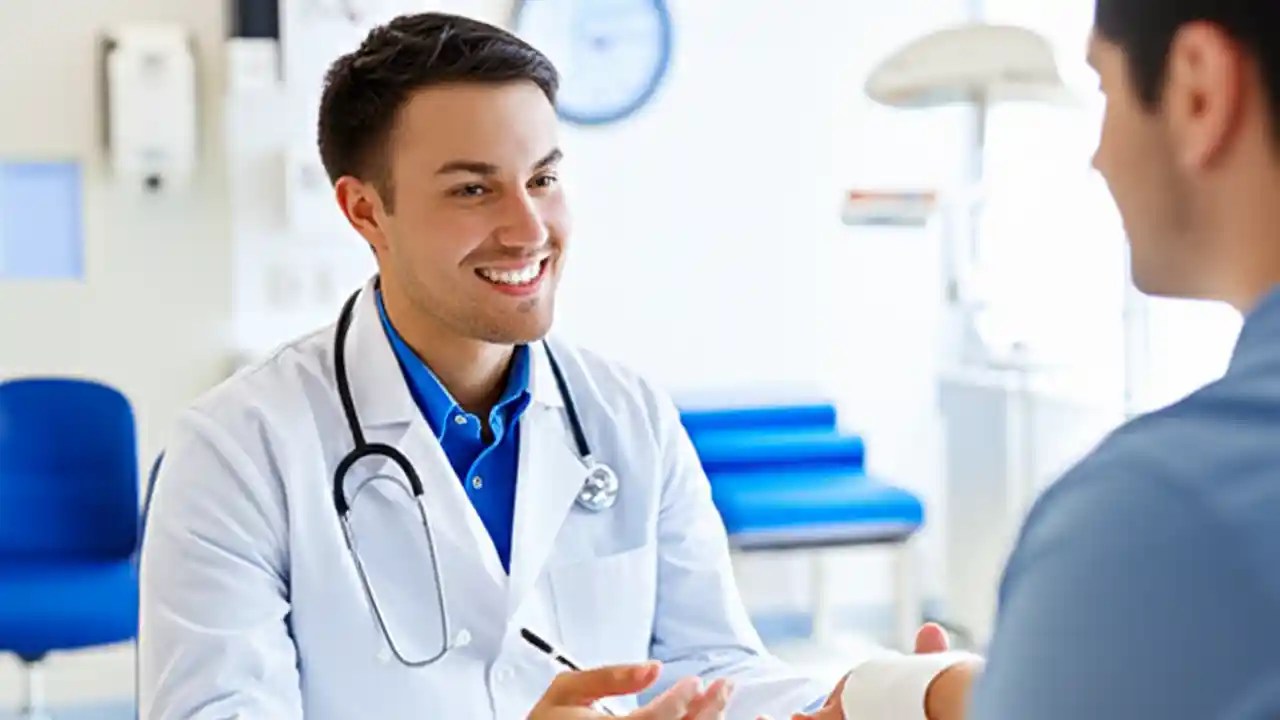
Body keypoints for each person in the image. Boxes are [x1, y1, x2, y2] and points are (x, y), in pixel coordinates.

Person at [137, 12, 978, 720]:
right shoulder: (236, 451)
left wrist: (877, 698)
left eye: (541, 178)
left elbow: (710, 666)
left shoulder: (628, 414)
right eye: (473, 190)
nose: (529, 229)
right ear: (366, 211)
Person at [788, 1, 1280, 718]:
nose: (1099, 157)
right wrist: (952, 690)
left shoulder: (1159, 519)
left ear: (1199, 92)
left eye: (1106, 90)